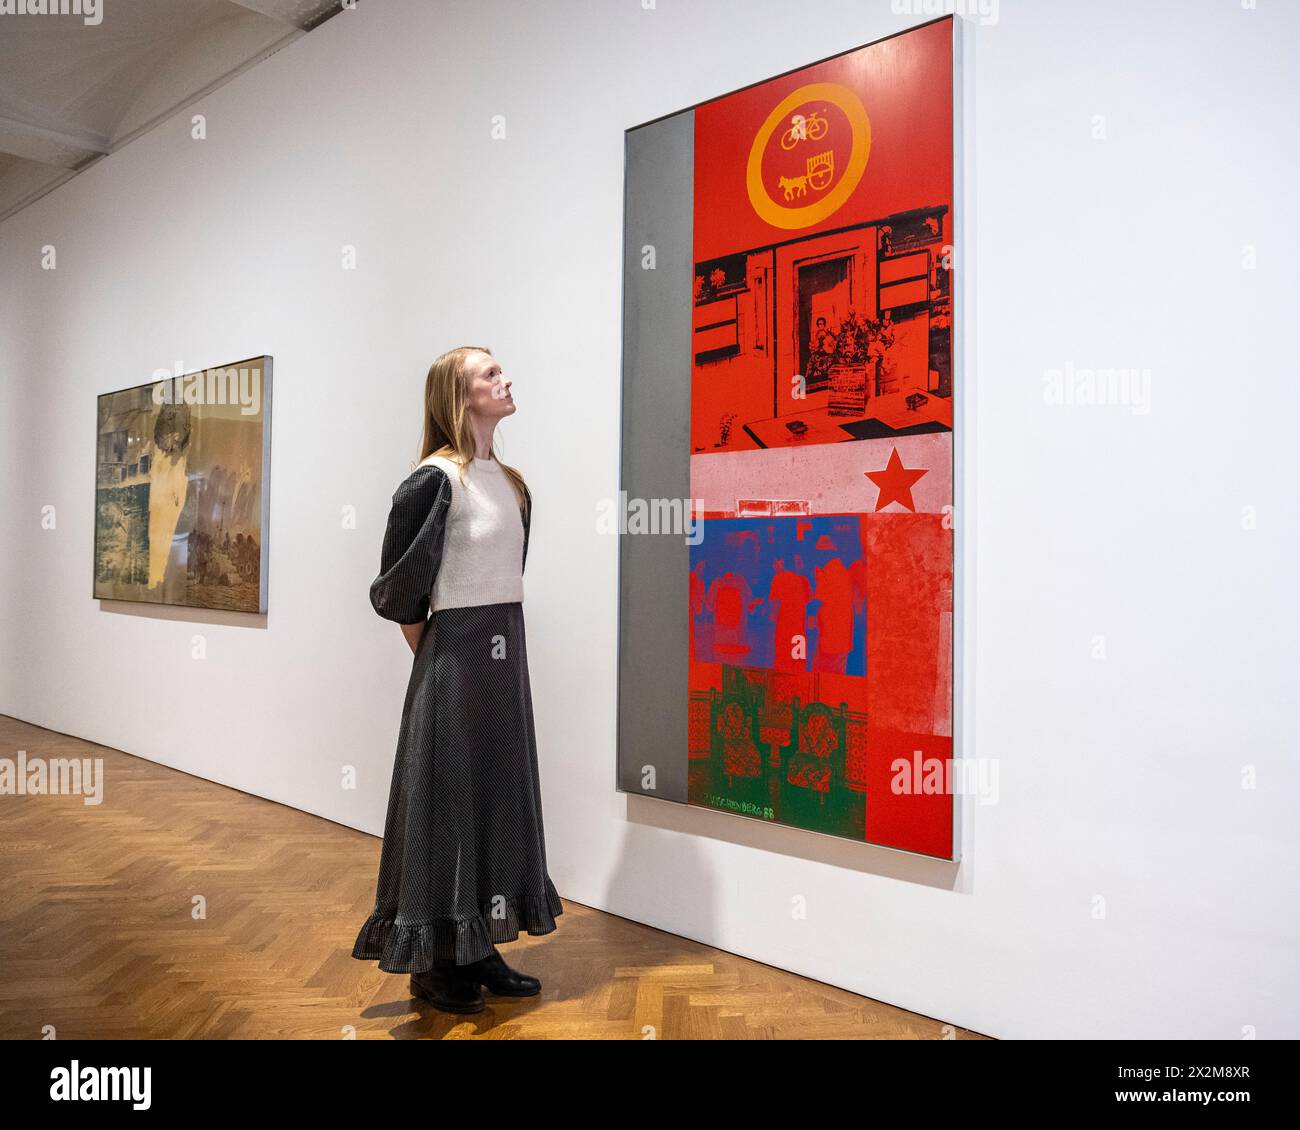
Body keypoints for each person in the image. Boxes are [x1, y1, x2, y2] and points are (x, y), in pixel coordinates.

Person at [351, 345, 563, 1015]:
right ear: (460, 396)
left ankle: (479, 945)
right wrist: (441, 661)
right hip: (455, 659)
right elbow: (400, 595)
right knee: (446, 810)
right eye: (490, 374)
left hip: (506, 659)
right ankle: (438, 962)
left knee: (497, 802)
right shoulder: (433, 481)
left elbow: (508, 575)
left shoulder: (513, 482)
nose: (505, 380)